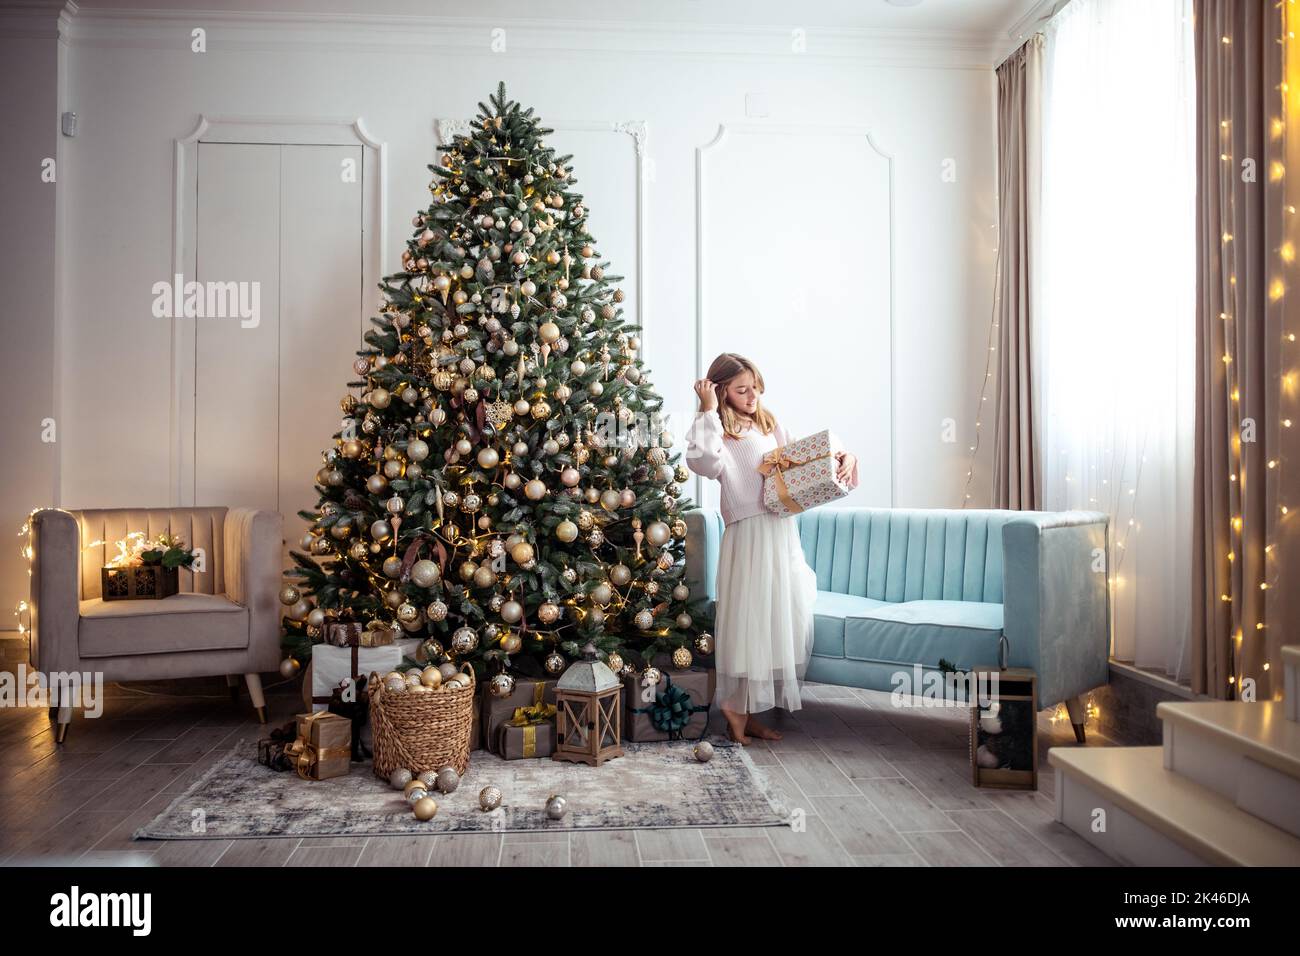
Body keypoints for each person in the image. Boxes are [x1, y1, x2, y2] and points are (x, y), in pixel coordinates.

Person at [684, 352, 859, 744]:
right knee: (749, 620)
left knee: (774, 619)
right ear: (721, 390)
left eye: (756, 388)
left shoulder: (768, 422)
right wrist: (708, 409)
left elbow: (803, 456)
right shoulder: (713, 428)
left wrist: (845, 453)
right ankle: (733, 707)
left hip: (780, 529)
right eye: (742, 390)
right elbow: (704, 464)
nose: (752, 396)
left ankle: (753, 710)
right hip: (748, 533)